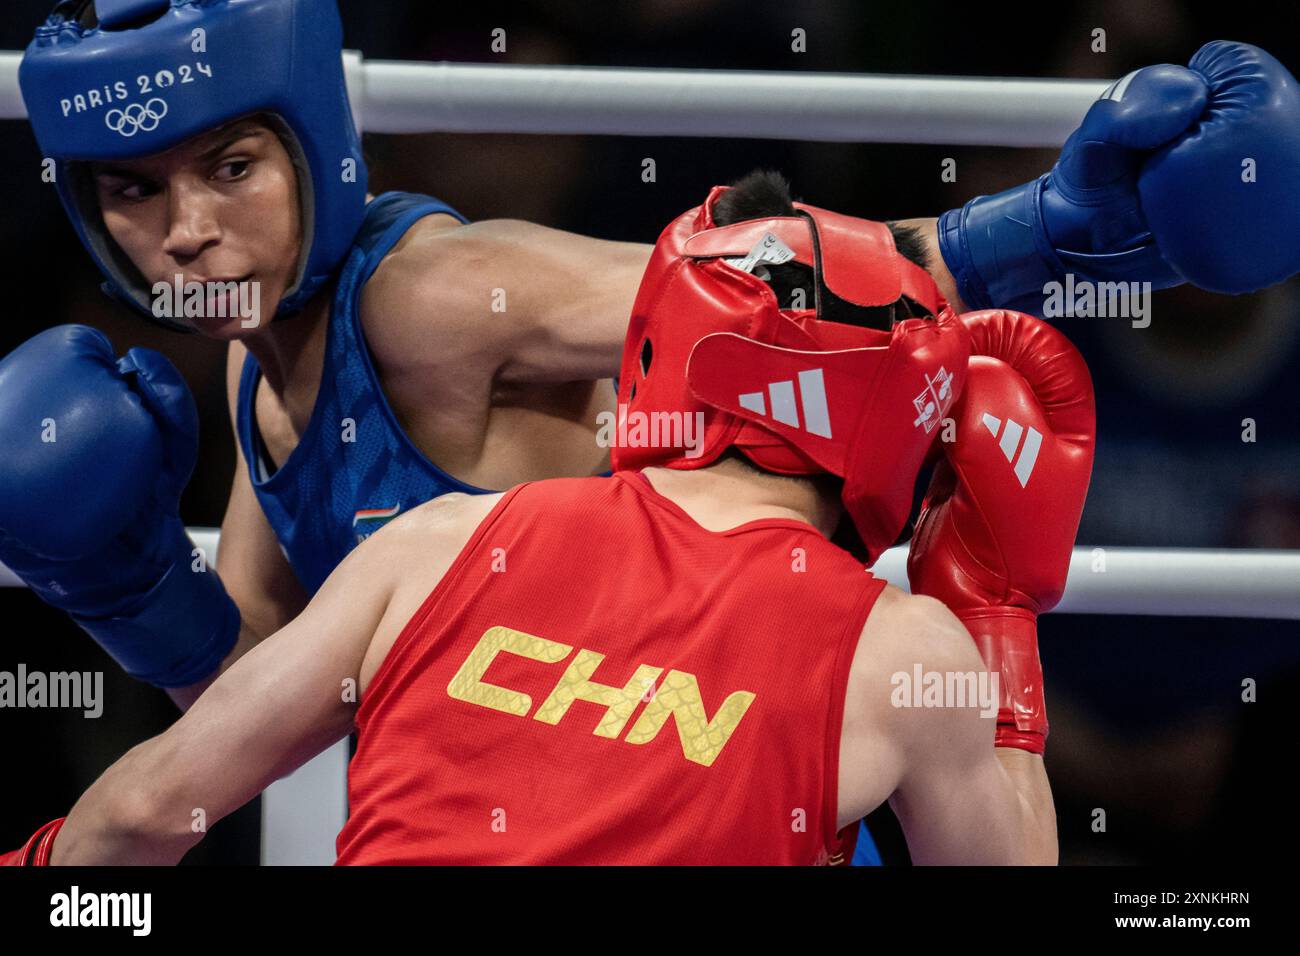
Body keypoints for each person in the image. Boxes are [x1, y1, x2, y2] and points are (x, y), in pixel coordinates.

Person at [2, 0, 1292, 713]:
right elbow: (259, 703)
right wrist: (126, 594)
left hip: (704, 781)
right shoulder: (250, 368)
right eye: (132, 190)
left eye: (230, 169)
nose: (185, 231)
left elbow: (774, 283)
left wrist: (1069, 225)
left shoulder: (431, 297)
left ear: (312, 145)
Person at [1, 177, 1095, 865]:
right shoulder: (900, 651)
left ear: (655, 350)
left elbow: (141, 817)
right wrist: (994, 613)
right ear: (899, 423)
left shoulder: (433, 544)